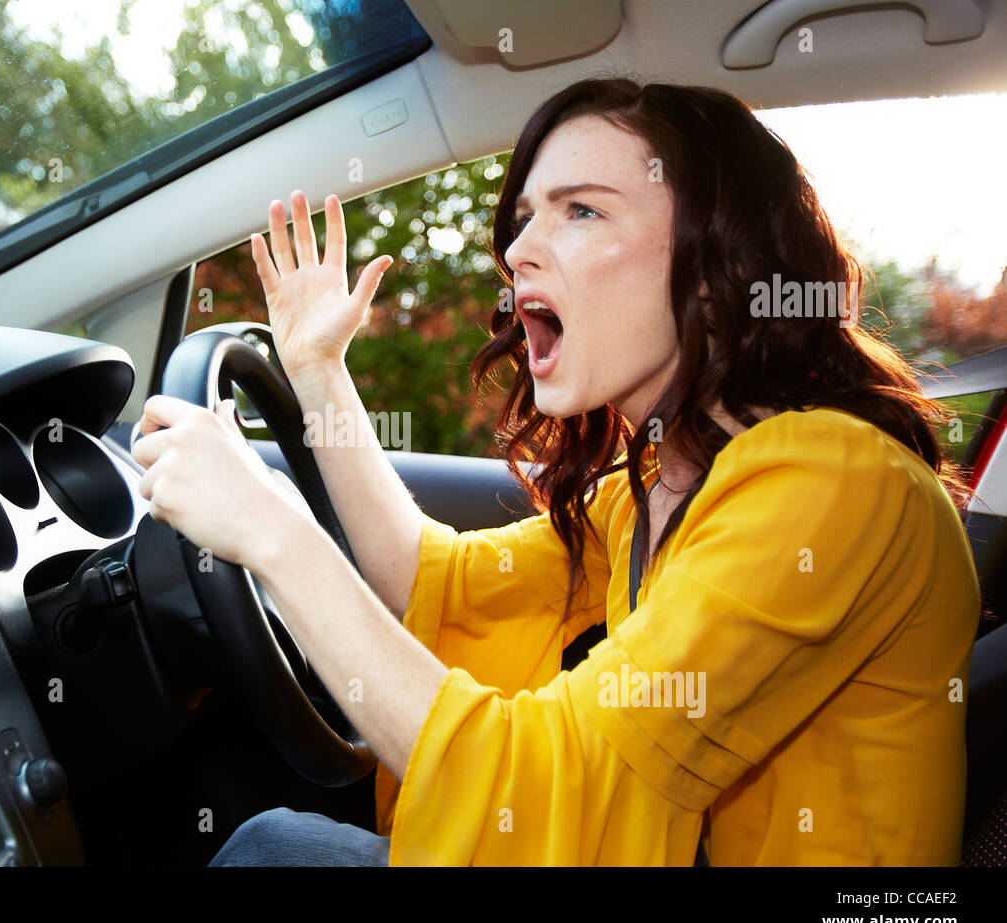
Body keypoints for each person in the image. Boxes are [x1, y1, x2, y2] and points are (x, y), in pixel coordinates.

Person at [131, 77, 982, 866]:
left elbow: (538, 785)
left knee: (273, 852)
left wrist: (273, 535)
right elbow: (434, 585)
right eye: (528, 214)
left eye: (581, 212)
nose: (520, 248)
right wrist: (319, 372)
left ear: (722, 270)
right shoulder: (666, 486)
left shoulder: (831, 483)